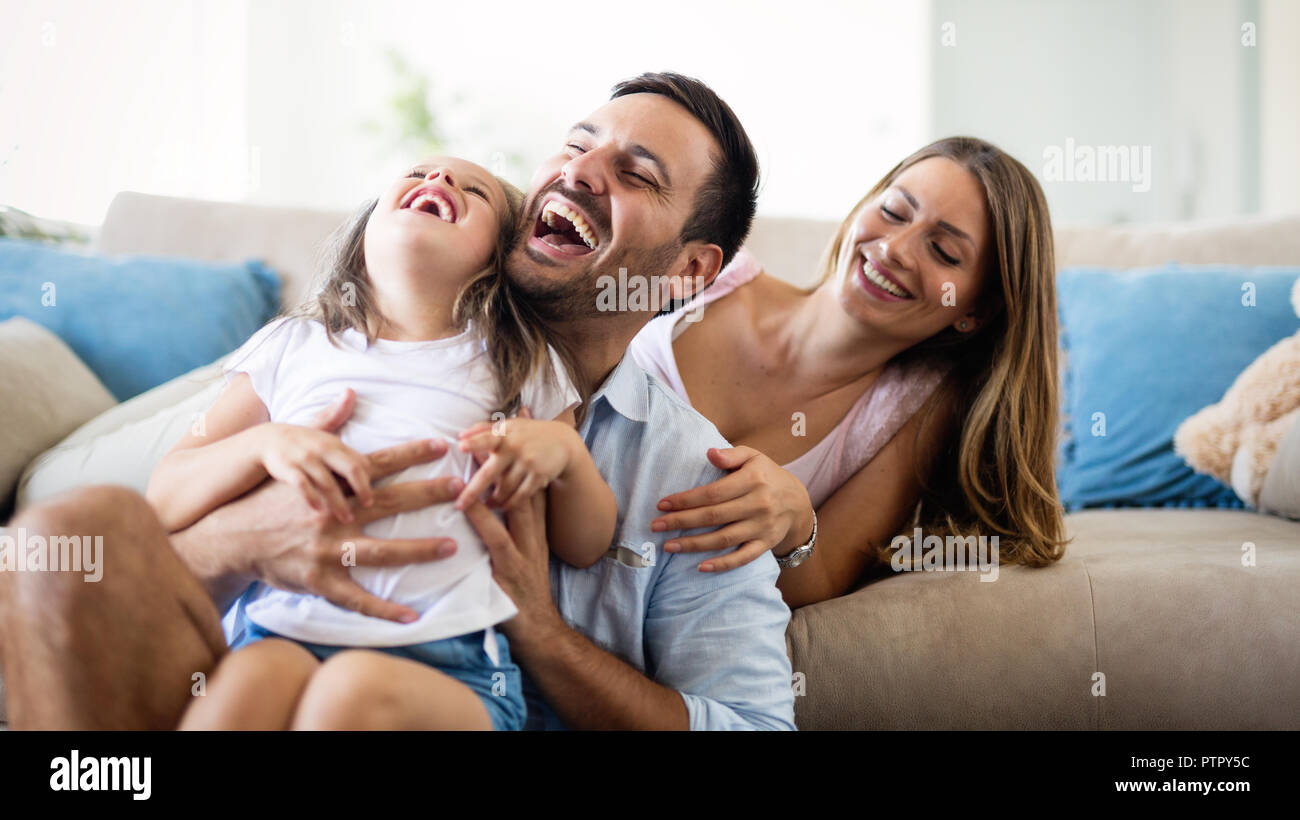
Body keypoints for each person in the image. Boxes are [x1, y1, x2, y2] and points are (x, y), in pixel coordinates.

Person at [0, 72, 796, 731]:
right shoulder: (314, 347)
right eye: (579, 146)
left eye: (637, 174)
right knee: (63, 538)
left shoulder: (700, 476)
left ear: (690, 271)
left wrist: (543, 634)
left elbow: (754, 723)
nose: (582, 172)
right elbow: (160, 506)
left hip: (447, 688)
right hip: (262, 649)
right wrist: (246, 539)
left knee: (348, 703)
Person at [150, 158, 616, 731]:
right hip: (282, 630)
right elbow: (164, 496)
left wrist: (566, 457)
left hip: (452, 661)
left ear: (497, 259)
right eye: (420, 174)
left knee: (350, 694)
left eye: (475, 191)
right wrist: (262, 445)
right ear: (365, 229)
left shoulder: (521, 359)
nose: (439, 182)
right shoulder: (291, 344)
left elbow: (586, 544)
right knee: (238, 695)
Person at [629, 137, 1069, 608]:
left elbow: (816, 577)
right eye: (896, 212)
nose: (895, 248)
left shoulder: (907, 412)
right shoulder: (711, 271)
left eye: (942, 250)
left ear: (976, 311)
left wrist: (799, 524)